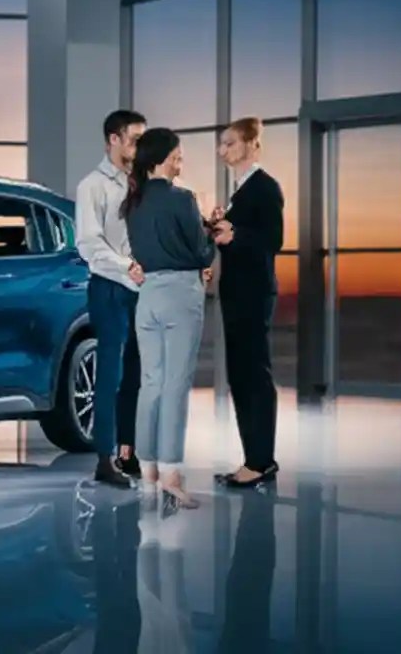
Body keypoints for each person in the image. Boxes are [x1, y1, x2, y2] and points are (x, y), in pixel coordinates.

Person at [122, 127, 216, 508]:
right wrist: (210, 233)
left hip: (148, 298)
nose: (181, 162)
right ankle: (173, 475)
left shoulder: (133, 201)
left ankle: (148, 472)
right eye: (177, 156)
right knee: (176, 386)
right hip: (180, 296)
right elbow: (199, 252)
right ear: (161, 160)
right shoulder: (183, 198)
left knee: (151, 385)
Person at [211, 117, 284, 488]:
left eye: (230, 143)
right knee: (242, 374)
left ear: (252, 144)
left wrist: (234, 233)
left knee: (253, 374)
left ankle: (260, 461)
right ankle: (253, 458)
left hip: (253, 295)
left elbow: (273, 240)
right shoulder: (241, 190)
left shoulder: (264, 187)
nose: (222, 150)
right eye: (221, 144)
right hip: (240, 294)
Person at [76, 109, 147, 487]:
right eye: (135, 139)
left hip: (141, 288)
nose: (139, 147)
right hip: (109, 287)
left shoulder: (142, 183)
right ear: (113, 140)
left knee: (135, 374)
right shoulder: (92, 186)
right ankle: (104, 459)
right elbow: (88, 243)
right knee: (111, 375)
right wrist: (126, 267)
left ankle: (127, 451)